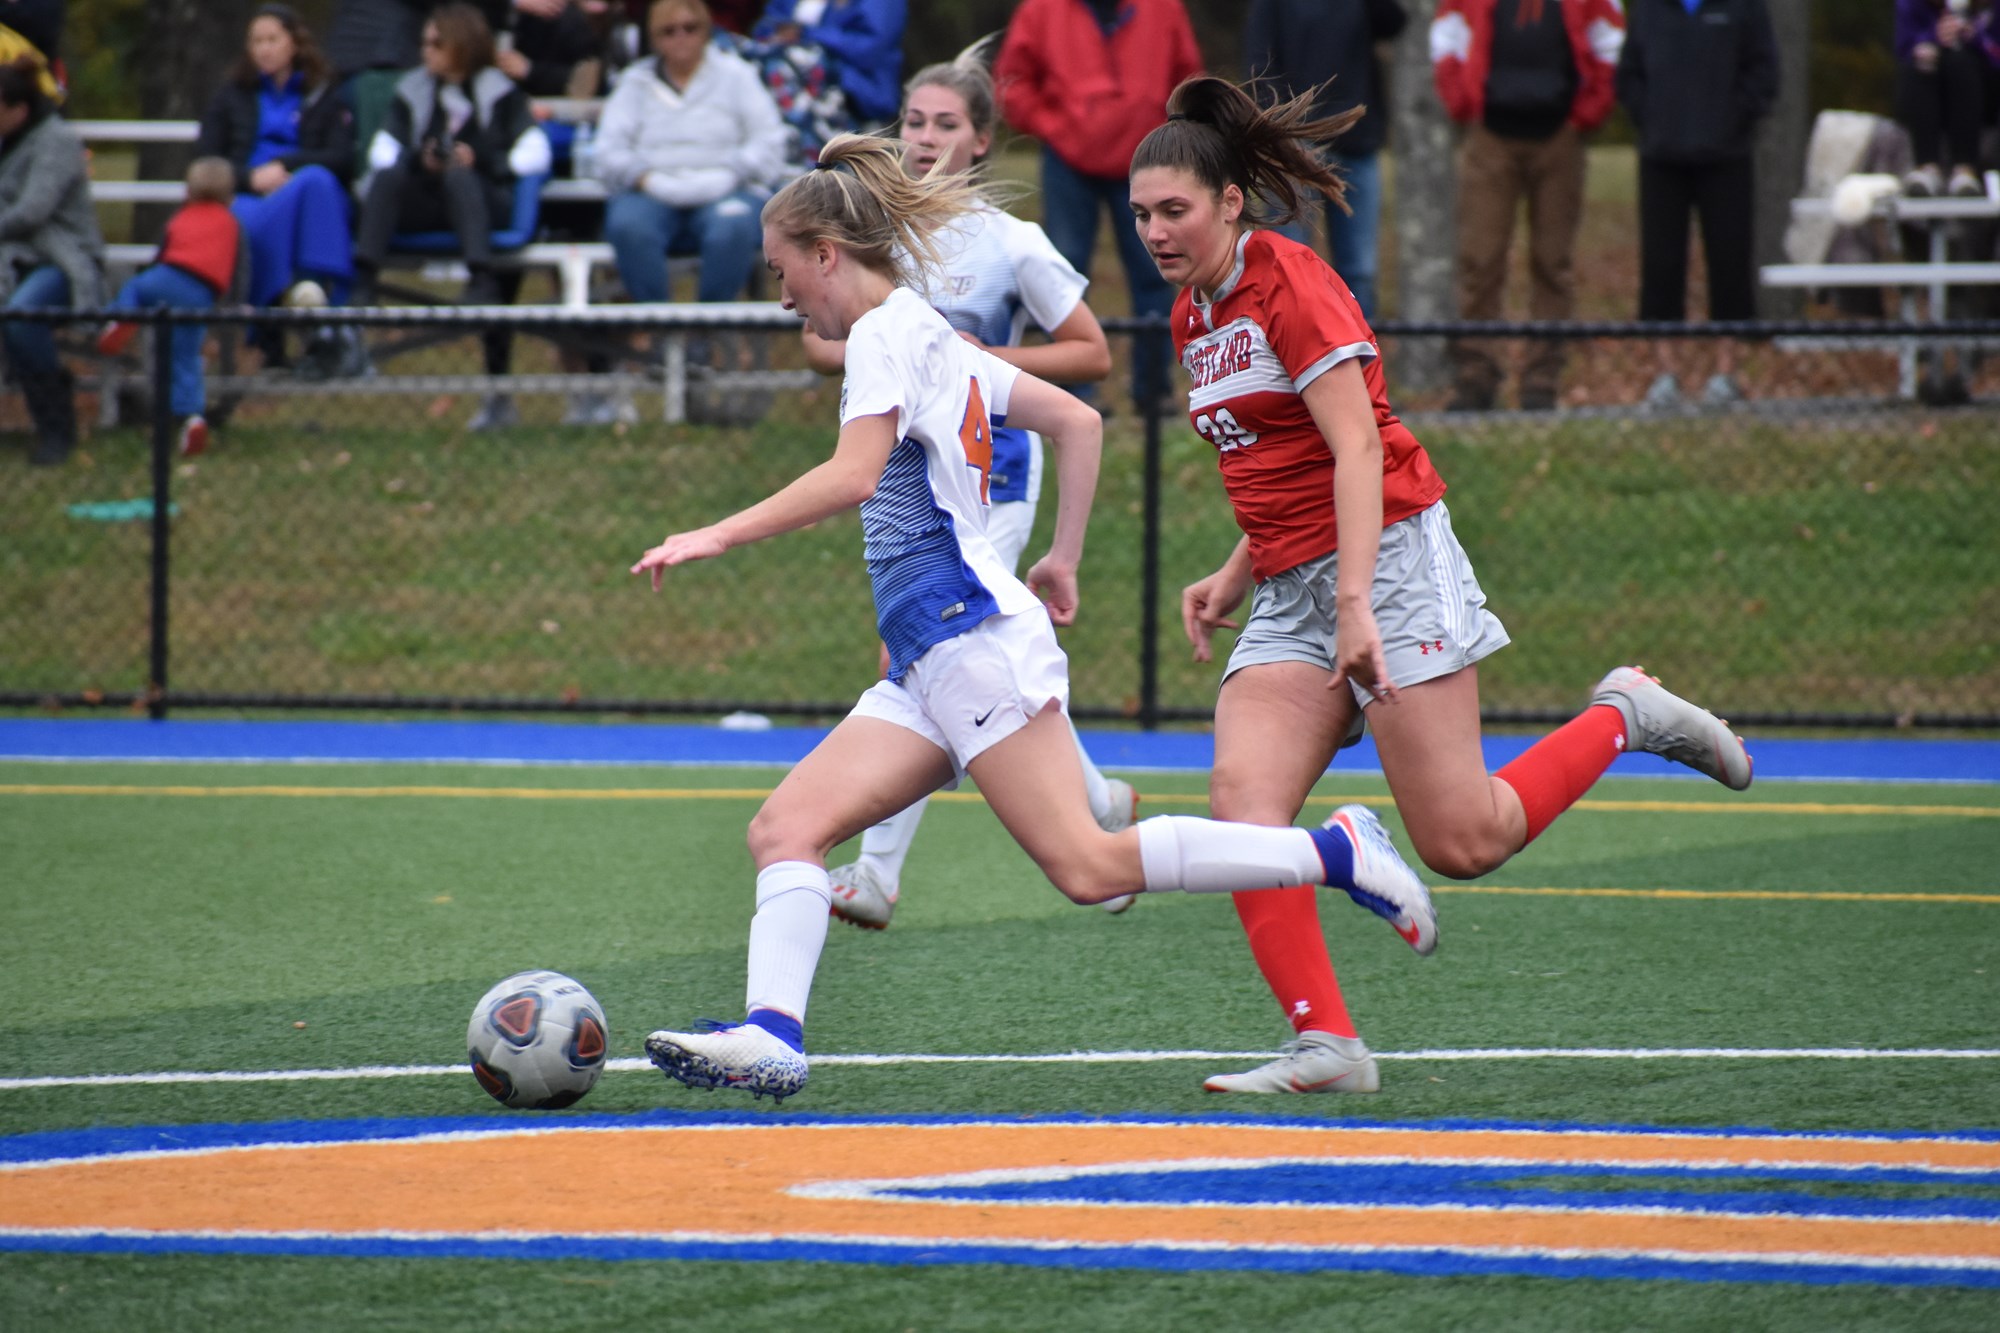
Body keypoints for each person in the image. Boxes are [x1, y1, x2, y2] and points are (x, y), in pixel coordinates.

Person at [630, 132, 1441, 1103]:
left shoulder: (887, 335)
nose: (780, 297)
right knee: (784, 830)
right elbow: (1077, 419)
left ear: (822, 253)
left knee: (1090, 866)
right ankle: (771, 1034)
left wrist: (714, 534)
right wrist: (1059, 551)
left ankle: (1333, 850)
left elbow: (853, 476)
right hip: (933, 655)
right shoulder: (928, 330)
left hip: (968, 640)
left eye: (779, 271)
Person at [1128, 75, 1754, 1094]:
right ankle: (1325, 1043)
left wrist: (1354, 602)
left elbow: (1356, 453)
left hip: (1389, 565)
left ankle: (1623, 714)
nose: (1154, 231)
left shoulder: (1289, 284)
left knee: (1465, 840)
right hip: (1296, 586)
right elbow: (1269, 456)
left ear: (1229, 202)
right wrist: (1236, 569)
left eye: (1173, 210)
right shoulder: (1188, 314)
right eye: (1142, 214)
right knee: (1243, 812)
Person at [797, 48, 1137, 927]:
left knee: (920, 656)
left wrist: (974, 360)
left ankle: (875, 873)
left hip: (995, 481)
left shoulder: (1010, 244)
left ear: (981, 141)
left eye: (946, 124)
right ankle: (1097, 805)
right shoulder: (874, 232)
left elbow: (1092, 354)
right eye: (913, 121)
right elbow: (818, 338)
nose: (924, 138)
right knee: (966, 671)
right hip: (916, 471)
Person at [995, 0, 1202, 416]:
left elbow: (1189, 79)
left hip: (1147, 159)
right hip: (1069, 163)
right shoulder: (1042, 11)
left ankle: (1153, 390)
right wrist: (1055, 126)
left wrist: (1167, 132)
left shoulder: (1163, 9)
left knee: (1157, 268)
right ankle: (1074, 390)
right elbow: (1011, 82)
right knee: (1064, 271)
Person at [351, 2, 550, 425]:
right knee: (388, 179)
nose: (426, 51)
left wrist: (483, 161)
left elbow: (535, 151)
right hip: (428, 202)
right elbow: (382, 154)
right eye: (424, 43)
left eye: (436, 43)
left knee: (461, 178)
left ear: (461, 43)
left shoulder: (503, 92)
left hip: (484, 204)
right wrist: (418, 161)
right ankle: (364, 279)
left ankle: (480, 279)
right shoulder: (412, 90)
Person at [1432, 0, 1625, 413]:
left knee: (1552, 262)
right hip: (1491, 136)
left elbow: (1610, 46)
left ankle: (1541, 381)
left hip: (1559, 135)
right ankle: (1476, 378)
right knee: (1480, 259)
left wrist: (1587, 114)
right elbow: (1446, 38)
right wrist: (1462, 102)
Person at [1615, 0, 1778, 410]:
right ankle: (1665, 376)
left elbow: (1764, 73)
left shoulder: (1744, 8)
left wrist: (1733, 118)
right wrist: (1651, 117)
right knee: (1662, 265)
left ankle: (1726, 375)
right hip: (1661, 157)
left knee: (1729, 261)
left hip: (1726, 158)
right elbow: (1629, 73)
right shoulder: (1651, 9)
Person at [196, 3, 362, 379]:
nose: (264, 49)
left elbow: (342, 156)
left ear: (295, 43)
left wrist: (288, 167)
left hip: (304, 198)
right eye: (256, 41)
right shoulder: (231, 95)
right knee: (303, 192)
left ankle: (303, 316)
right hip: (248, 199)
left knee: (316, 182)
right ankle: (319, 316)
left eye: (273, 39)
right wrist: (250, 178)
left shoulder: (324, 93)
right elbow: (207, 159)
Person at [595, 0, 788, 309]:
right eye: (669, 31)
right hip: (650, 192)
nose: (680, 37)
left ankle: (704, 333)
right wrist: (646, 178)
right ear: (654, 38)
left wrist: (731, 173)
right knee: (628, 226)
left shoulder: (737, 75)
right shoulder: (634, 82)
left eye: (690, 28)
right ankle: (659, 331)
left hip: (727, 189)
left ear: (706, 31)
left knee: (732, 228)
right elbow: (608, 150)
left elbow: (769, 141)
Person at [1243, 0, 1406, 324]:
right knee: (1287, 269)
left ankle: (1361, 363)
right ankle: (1289, 358)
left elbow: (1394, 22)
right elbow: (1258, 63)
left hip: (1356, 143)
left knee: (1359, 271)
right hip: (1290, 148)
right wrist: (1277, 135)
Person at [95, 158, 245, 461]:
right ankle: (192, 418)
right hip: (202, 294)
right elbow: (237, 270)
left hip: (169, 275)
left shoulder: (180, 219)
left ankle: (122, 318)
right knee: (186, 359)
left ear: (187, 192)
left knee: (137, 288)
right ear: (230, 196)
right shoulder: (232, 225)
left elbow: (161, 254)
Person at [0, 52, 100, 467]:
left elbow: (32, 211)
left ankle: (57, 426)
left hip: (61, 258)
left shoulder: (55, 140)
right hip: (13, 254)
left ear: (18, 110)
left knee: (23, 319)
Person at [1895, 0, 1999, 198]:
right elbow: (1903, 49)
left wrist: (1975, 38)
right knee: (1923, 63)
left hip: (1981, 96)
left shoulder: (1990, 7)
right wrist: (1932, 38)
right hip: (1929, 98)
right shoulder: (1910, 5)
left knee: (1961, 60)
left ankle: (1965, 171)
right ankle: (1927, 169)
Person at [753, 0, 907, 127]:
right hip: (777, 78)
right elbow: (767, 26)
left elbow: (870, 50)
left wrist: (806, 34)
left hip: (853, 99)